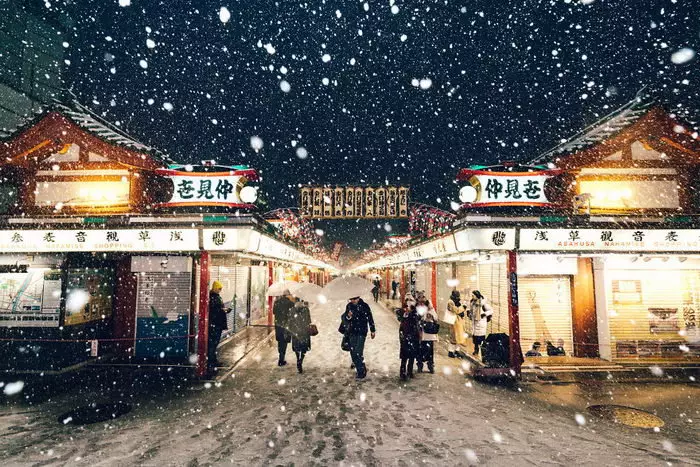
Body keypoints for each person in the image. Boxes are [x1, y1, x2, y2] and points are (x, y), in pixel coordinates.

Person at [342, 296, 376, 379]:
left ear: (358, 298)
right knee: (353, 352)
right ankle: (361, 367)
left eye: (354, 299)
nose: (352, 301)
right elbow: (346, 318)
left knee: (358, 352)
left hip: (362, 332)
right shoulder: (349, 306)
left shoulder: (365, 306)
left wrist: (373, 330)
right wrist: (348, 316)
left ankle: (361, 372)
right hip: (352, 332)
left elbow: (370, 318)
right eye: (351, 299)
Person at [208, 281, 231, 374]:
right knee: (213, 343)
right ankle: (211, 362)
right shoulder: (213, 297)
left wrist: (223, 310)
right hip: (216, 324)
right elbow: (214, 310)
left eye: (221, 289)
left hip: (217, 323)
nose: (220, 290)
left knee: (214, 343)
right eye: (219, 288)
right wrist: (223, 310)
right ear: (215, 288)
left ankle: (213, 360)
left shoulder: (215, 297)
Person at [398, 301, 421, 380]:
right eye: (406, 307)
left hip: (411, 339)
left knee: (411, 357)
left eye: (408, 307)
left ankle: (408, 372)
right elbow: (401, 327)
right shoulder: (404, 315)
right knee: (405, 357)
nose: (406, 309)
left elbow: (416, 328)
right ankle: (403, 372)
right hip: (406, 339)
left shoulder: (413, 316)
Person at [288, 299, 312, 373]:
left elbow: (290, 321)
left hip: (295, 332)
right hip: (304, 332)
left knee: (297, 348)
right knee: (304, 348)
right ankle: (301, 360)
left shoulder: (292, 310)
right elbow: (309, 321)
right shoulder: (306, 309)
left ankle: (298, 359)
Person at [416, 294, 438, 374]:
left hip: (430, 335)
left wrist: (431, 314)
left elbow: (436, 318)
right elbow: (418, 319)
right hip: (422, 334)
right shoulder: (420, 310)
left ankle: (430, 365)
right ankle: (420, 365)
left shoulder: (432, 310)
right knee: (420, 350)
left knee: (430, 351)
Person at [273, 290, 295, 366]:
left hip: (278, 324)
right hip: (286, 325)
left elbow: (274, 312)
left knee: (280, 341)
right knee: (284, 341)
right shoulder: (290, 303)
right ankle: (281, 359)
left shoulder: (276, 302)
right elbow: (294, 312)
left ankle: (281, 357)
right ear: (288, 295)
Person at [468, 290, 493, 358]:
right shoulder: (472, 302)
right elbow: (471, 310)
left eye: (473, 295)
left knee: (481, 339)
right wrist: (469, 313)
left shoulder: (483, 304)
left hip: (481, 323)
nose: (472, 297)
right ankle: (476, 350)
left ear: (477, 295)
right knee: (475, 338)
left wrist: (484, 314)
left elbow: (491, 310)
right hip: (475, 322)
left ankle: (483, 353)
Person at [446, 290, 468, 358]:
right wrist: (463, 307)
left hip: (459, 321)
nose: (458, 297)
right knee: (453, 336)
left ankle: (457, 350)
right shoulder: (450, 302)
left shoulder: (457, 301)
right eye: (457, 295)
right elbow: (456, 310)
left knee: (459, 336)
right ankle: (451, 351)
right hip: (453, 321)